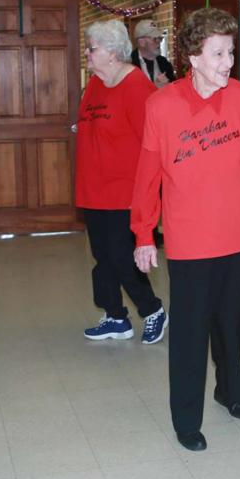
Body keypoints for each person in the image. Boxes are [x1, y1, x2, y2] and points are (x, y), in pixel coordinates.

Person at [130, 6, 240, 452]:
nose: (228, 62)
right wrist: (143, 233)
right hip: (190, 241)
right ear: (193, 57)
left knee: (233, 326)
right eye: (218, 54)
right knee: (191, 334)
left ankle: (230, 391)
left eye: (231, 53)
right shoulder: (161, 106)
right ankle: (186, 419)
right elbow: (147, 177)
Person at [74, 18, 165, 344]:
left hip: (125, 192)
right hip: (94, 190)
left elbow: (153, 146)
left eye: (92, 48)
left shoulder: (137, 88)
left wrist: (150, 194)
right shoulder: (95, 84)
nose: (87, 53)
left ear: (112, 52)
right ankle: (115, 317)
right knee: (103, 258)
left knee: (124, 257)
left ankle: (153, 310)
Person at [132, 19, 173, 86]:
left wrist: (168, 86)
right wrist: (154, 88)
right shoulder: (129, 64)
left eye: (159, 38)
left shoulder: (164, 63)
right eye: (155, 39)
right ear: (141, 42)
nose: (159, 42)